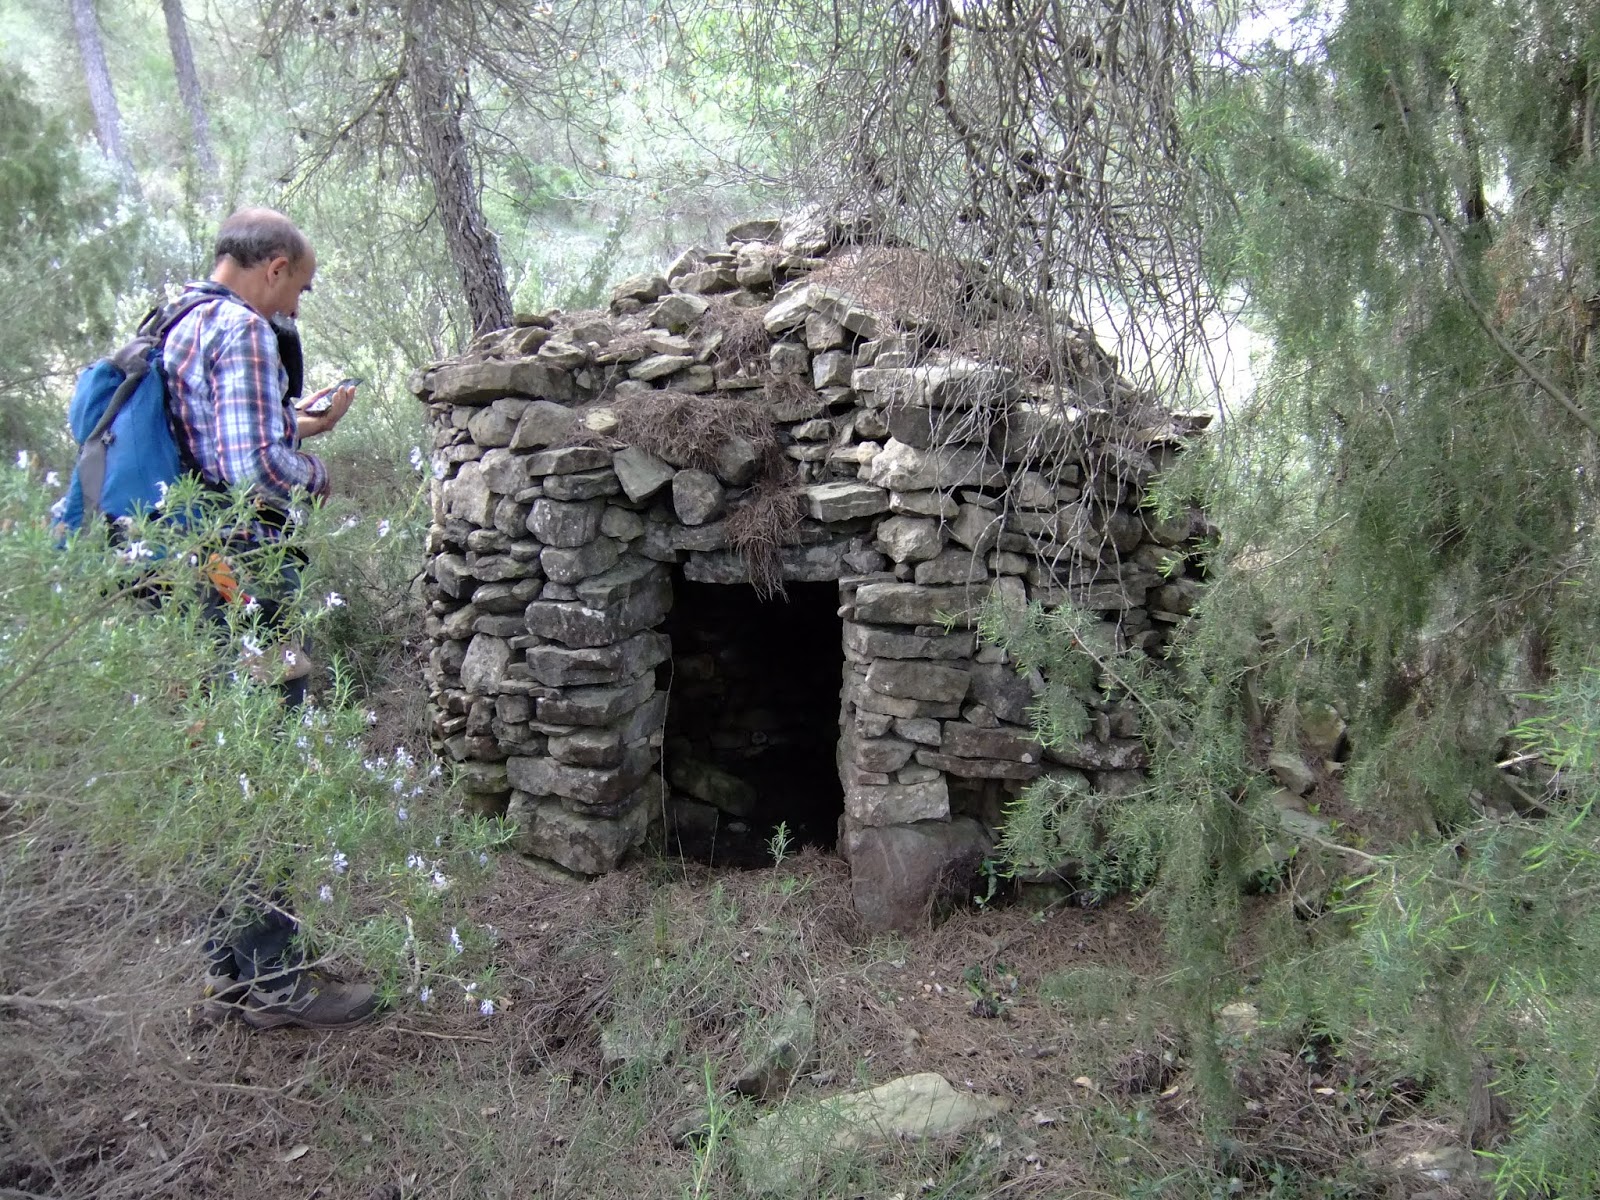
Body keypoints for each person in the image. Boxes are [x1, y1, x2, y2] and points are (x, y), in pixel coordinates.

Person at [167, 207, 379, 1030]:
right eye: (302, 286)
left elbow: (213, 440)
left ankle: (230, 971)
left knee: (223, 766)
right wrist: (315, 467)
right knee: (271, 764)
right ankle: (280, 983)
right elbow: (254, 469)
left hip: (188, 578)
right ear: (277, 266)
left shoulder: (177, 319)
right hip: (245, 584)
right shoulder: (248, 331)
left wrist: (299, 418)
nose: (296, 305)